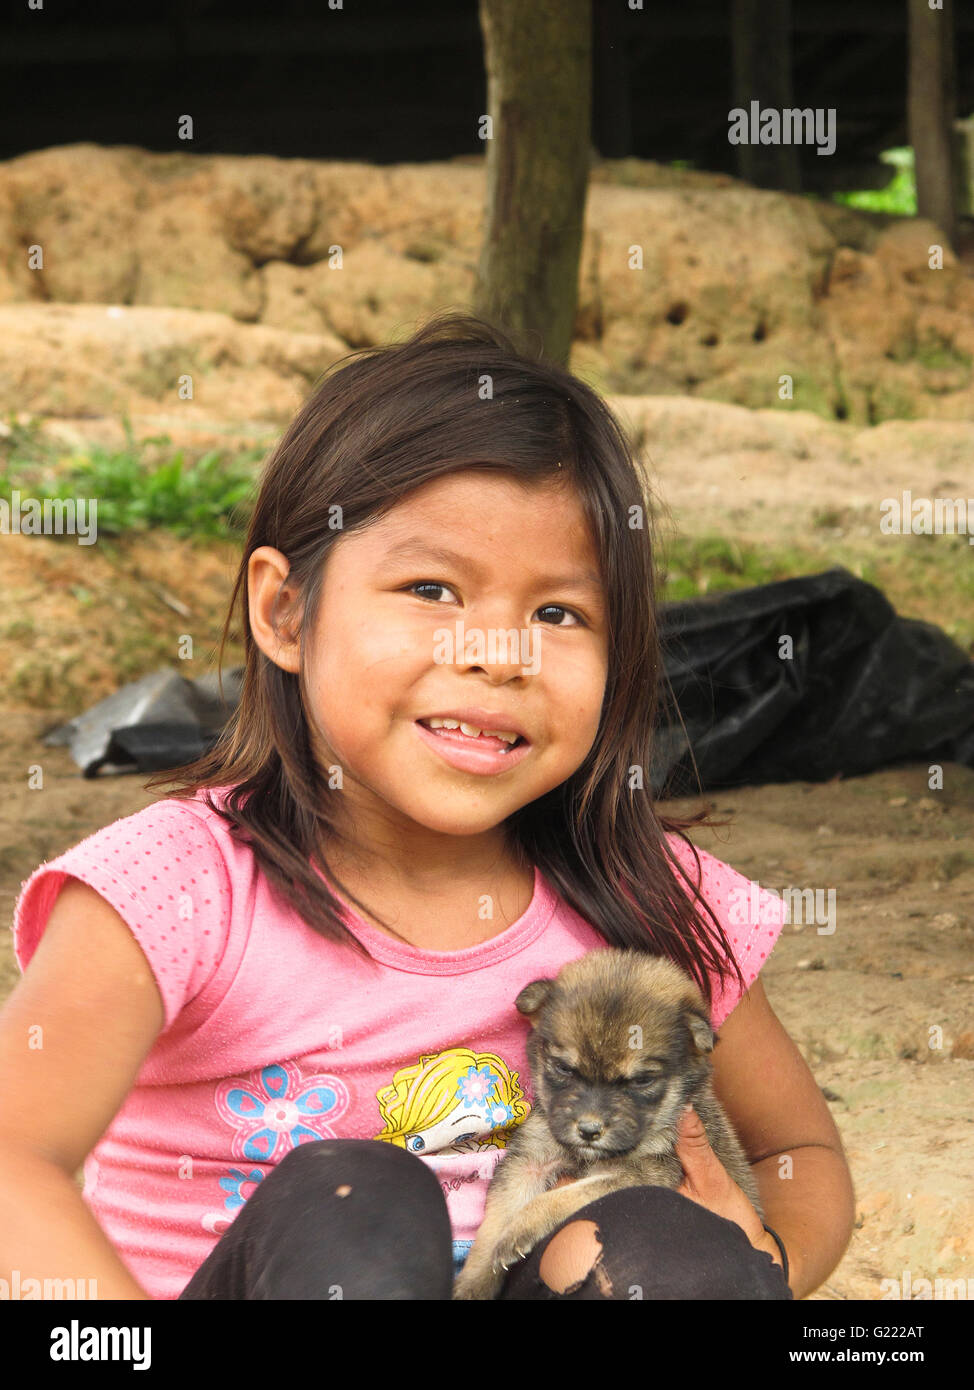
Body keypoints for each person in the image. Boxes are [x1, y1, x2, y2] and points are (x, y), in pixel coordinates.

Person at [1, 312, 855, 1301]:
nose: (499, 653)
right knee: (358, 1195)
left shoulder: (643, 903)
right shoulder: (178, 888)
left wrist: (761, 1266)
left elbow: (796, 1148)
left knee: (665, 1243)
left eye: (556, 613)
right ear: (285, 612)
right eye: (432, 588)